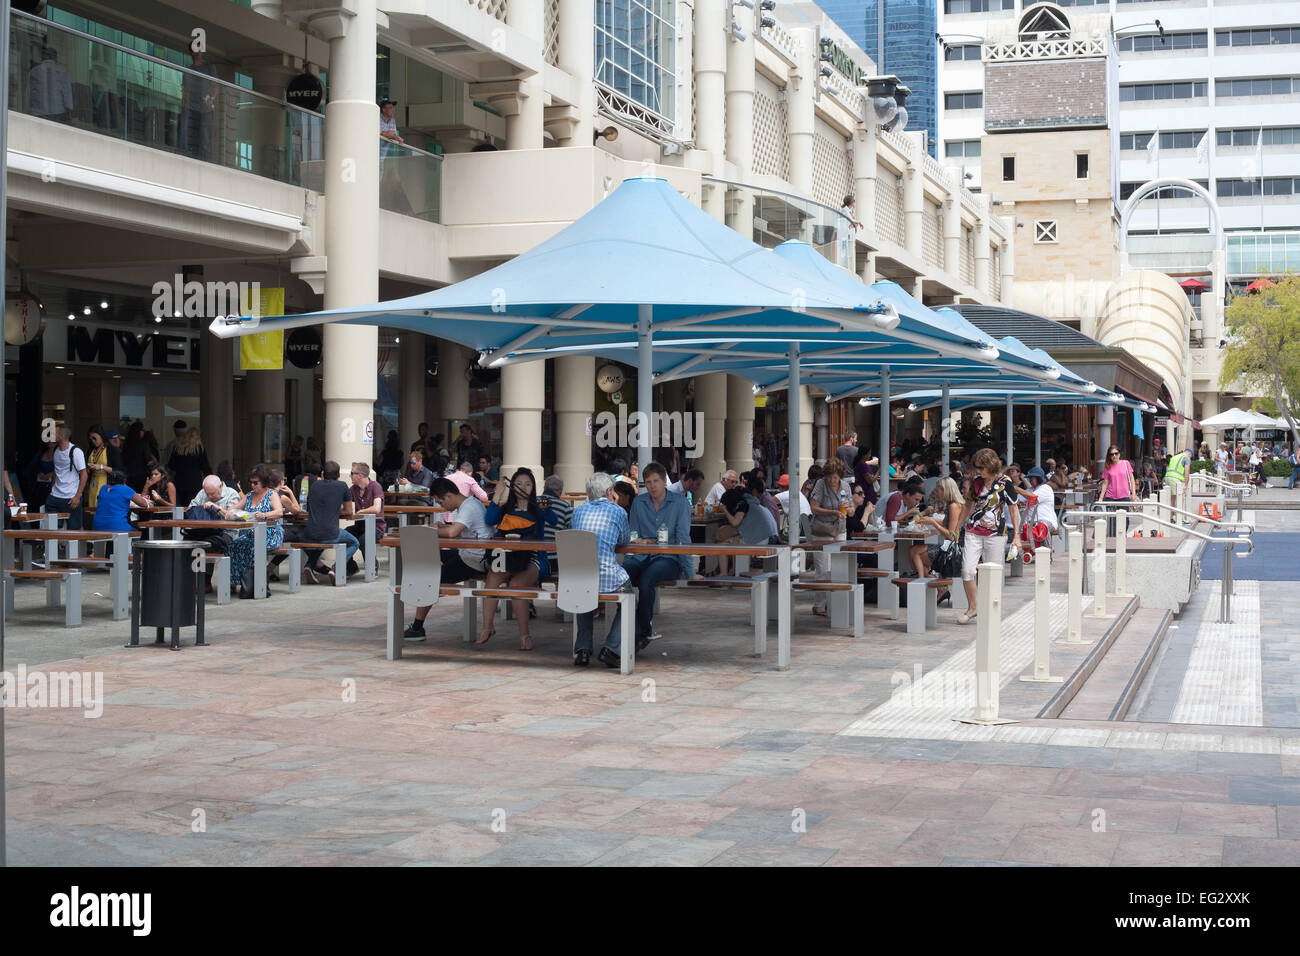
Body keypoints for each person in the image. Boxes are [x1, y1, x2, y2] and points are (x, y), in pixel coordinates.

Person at [402, 477, 494, 641]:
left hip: (473, 559)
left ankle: (417, 627)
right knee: (431, 558)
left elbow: (452, 533)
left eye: (440, 502)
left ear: (449, 496)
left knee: (429, 579)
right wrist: (443, 527)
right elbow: (457, 530)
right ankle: (418, 621)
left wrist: (431, 530)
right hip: (472, 554)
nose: (441, 506)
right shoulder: (469, 503)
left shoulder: (469, 507)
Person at [477, 468, 556, 650]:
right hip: (509, 556)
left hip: (534, 559)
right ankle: (487, 627)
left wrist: (546, 508)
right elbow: (489, 519)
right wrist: (497, 493)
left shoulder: (537, 508)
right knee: (493, 576)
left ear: (534, 487)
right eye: (519, 484)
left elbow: (554, 519)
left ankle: (525, 635)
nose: (524, 487)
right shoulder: (506, 509)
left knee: (516, 585)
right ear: (512, 487)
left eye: (528, 484)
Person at [623, 462, 696, 655]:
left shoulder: (680, 503)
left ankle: (643, 631)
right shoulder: (639, 502)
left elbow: (683, 538)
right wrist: (636, 544)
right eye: (648, 482)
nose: (652, 485)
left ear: (665, 481)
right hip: (640, 555)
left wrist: (690, 572)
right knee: (622, 576)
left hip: (668, 558)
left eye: (656, 481)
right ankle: (622, 630)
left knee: (648, 579)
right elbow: (633, 532)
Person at [570, 472, 633, 667]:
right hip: (607, 577)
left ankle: (582, 650)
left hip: (579, 577)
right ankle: (611, 648)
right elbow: (624, 540)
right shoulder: (617, 511)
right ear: (609, 492)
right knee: (630, 596)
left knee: (584, 591)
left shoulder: (578, 511)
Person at [957, 447, 1021, 625]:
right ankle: (972, 607)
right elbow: (967, 506)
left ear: (990, 465)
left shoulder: (1004, 482)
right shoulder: (976, 482)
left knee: (992, 574)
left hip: (996, 534)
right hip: (973, 531)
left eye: (981, 467)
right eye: (976, 467)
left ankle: (991, 610)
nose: (978, 471)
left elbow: (1013, 509)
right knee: (967, 569)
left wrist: (1017, 536)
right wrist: (957, 528)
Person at [222, 464, 284, 599]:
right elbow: (234, 507)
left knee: (251, 548)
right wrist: (230, 511)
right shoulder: (249, 496)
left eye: (256, 483)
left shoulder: (272, 494)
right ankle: (235, 582)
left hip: (270, 534)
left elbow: (279, 512)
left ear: (264, 481)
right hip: (251, 534)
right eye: (250, 482)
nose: (252, 485)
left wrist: (265, 515)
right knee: (232, 546)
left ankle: (252, 584)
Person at [298, 461, 358, 582]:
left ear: (323, 473)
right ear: (339, 474)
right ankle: (335, 569)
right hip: (330, 532)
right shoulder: (342, 486)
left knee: (320, 541)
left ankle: (309, 566)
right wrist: (335, 510)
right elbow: (348, 510)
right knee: (354, 543)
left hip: (310, 533)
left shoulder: (314, 485)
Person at [910, 477, 963, 603]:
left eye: (938, 489)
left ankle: (922, 585)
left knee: (915, 552)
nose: (936, 492)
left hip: (952, 550)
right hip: (948, 546)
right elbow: (945, 523)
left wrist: (933, 522)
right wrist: (928, 520)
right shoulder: (951, 504)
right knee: (913, 552)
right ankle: (938, 588)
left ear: (946, 490)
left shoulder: (954, 506)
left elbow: (951, 535)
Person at [807, 458, 847, 618]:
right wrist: (832, 512)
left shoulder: (845, 486)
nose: (832, 480)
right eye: (830, 477)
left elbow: (849, 507)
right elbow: (814, 507)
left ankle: (836, 603)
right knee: (822, 569)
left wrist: (850, 510)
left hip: (840, 530)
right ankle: (819, 605)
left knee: (839, 568)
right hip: (822, 531)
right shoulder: (821, 485)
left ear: (840, 476)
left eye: (835, 477)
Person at [716, 484, 778, 577]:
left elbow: (735, 523)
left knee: (721, 545)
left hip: (760, 540)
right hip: (768, 537)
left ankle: (724, 573)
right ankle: (733, 570)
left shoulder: (742, 505)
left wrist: (725, 510)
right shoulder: (753, 503)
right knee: (730, 538)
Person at [90, 471, 150, 547]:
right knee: (135, 535)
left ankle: (109, 555)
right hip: (118, 527)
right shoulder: (125, 489)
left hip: (98, 526)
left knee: (112, 536)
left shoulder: (103, 488)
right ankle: (132, 558)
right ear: (123, 481)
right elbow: (143, 503)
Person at [346, 462, 385, 574]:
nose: (350, 475)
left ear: (360, 476)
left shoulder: (375, 486)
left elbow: (377, 508)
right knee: (343, 535)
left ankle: (372, 567)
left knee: (364, 540)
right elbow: (344, 504)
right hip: (360, 527)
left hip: (376, 527)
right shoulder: (354, 489)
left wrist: (361, 511)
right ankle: (351, 567)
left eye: (352, 473)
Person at [45, 426, 87, 530]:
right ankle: (57, 546)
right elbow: (56, 471)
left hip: (70, 497)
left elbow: (84, 475)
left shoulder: (76, 452)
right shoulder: (55, 450)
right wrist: (52, 488)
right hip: (55, 496)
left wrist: (77, 497)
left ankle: (80, 546)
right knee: (52, 528)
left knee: (75, 529)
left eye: (54, 433)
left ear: (62, 436)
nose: (51, 436)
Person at [179, 49, 217, 161]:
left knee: (205, 136)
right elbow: (185, 89)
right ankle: (182, 156)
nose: (197, 53)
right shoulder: (187, 70)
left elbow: (215, 86)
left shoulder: (209, 68)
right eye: (194, 50)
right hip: (190, 106)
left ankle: (206, 161)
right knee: (184, 132)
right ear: (190, 53)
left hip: (205, 108)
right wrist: (183, 104)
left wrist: (212, 99)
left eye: (199, 50)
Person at [1097, 444, 1137, 535]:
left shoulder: (1126, 463)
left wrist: (1133, 493)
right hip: (1110, 496)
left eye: (1116, 453)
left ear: (1119, 454)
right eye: (1112, 454)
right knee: (1112, 521)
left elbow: (1131, 478)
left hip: (1124, 496)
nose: (1114, 456)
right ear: (1109, 456)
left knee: (1125, 520)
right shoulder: (1108, 466)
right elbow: (1105, 482)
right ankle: (1114, 540)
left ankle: (1122, 536)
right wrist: (1101, 498)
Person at [27, 46, 74, 123]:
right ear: (55, 57)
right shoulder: (62, 71)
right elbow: (67, 94)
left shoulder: (33, 71)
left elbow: (28, 94)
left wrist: (26, 110)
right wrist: (69, 115)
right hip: (57, 111)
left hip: (38, 112)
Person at [166, 426, 211, 506]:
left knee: (181, 505)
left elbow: (171, 465)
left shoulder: (178, 448)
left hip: (180, 481)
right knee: (192, 504)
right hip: (195, 482)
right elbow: (205, 467)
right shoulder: (199, 449)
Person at [1018, 466, 1057, 551]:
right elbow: (1018, 499)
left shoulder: (1046, 488)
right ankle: (1024, 554)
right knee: (1021, 527)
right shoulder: (1030, 489)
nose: (1030, 480)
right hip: (1031, 522)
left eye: (1032, 477)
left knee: (1042, 527)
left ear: (1039, 478)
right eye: (1030, 478)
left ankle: (1047, 554)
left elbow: (1033, 497)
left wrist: (1016, 488)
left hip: (1047, 520)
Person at [540, 475, 573, 541]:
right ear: (561, 491)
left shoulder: (533, 501)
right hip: (554, 549)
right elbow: (572, 529)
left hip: (532, 549)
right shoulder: (565, 506)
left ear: (544, 488)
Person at [85, 427, 110, 510]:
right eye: (91, 439)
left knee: (102, 508)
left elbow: (118, 470)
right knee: (93, 509)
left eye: (95, 438)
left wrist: (101, 467)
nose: (93, 441)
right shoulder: (91, 450)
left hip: (105, 481)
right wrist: (88, 469)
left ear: (101, 436)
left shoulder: (110, 450)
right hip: (93, 482)